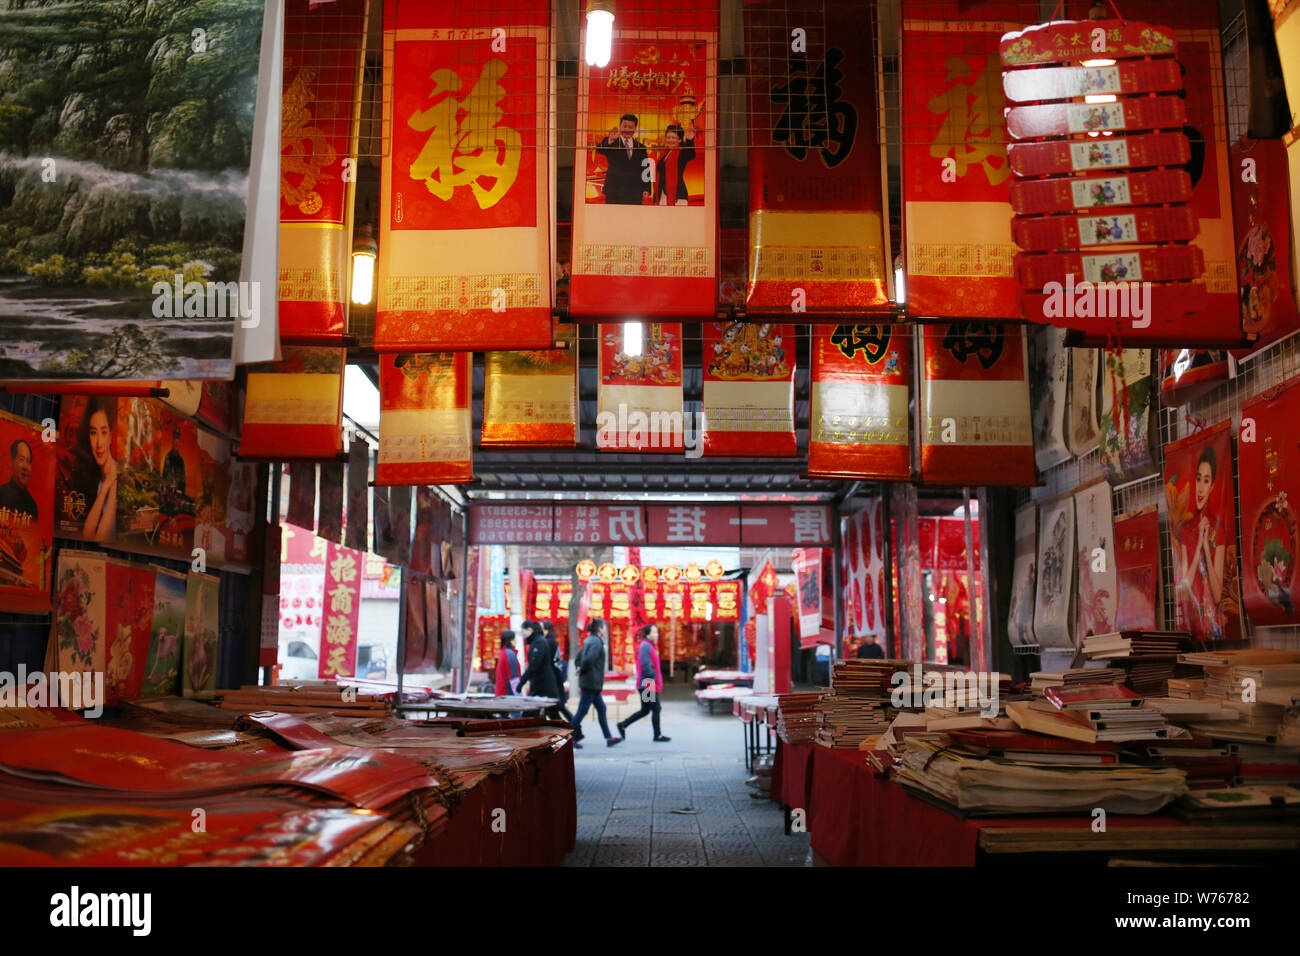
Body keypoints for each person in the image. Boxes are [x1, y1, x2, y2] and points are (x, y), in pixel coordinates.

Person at [1176, 445, 1227, 641]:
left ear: (1213, 486)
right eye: (1198, 479)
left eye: (1206, 481)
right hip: (1191, 625)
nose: (1200, 487)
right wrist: (1198, 546)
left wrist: (1206, 546)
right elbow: (1185, 585)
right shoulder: (1185, 529)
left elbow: (1217, 595)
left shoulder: (1218, 529)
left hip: (1213, 628)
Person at [70, 397, 117, 543]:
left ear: (110, 436)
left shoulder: (117, 475)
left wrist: (109, 484)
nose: (98, 443)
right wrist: (104, 489)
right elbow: (87, 534)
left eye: (103, 432)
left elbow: (100, 537)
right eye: (93, 433)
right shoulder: (97, 477)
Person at [571, 618, 623, 747]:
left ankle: (608, 738)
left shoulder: (589, 640)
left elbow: (578, 658)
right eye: (604, 627)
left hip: (591, 683)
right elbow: (589, 660)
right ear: (599, 629)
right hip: (591, 683)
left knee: (601, 708)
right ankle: (568, 738)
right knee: (582, 712)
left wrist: (579, 667)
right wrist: (582, 668)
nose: (605, 629)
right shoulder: (596, 643)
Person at [617, 623, 670, 742]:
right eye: (654, 632)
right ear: (647, 634)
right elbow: (645, 665)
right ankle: (658, 735)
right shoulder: (646, 646)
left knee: (645, 710)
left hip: (648, 682)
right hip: (648, 683)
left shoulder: (649, 646)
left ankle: (622, 725)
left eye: (657, 632)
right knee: (656, 708)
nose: (657, 635)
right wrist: (654, 676)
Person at [596, 113, 649, 205]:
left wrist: (646, 189)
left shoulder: (641, 147)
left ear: (635, 128)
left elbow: (645, 169)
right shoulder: (612, 142)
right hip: (614, 191)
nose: (627, 129)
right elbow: (600, 149)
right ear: (620, 126)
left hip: (634, 192)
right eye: (625, 126)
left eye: (630, 127)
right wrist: (610, 140)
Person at [517, 619, 562, 715]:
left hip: (542, 685)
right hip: (542, 685)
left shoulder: (538, 642)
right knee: (550, 714)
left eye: (523, 631)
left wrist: (521, 682)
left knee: (551, 713)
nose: (523, 634)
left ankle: (574, 729)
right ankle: (573, 729)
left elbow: (534, 665)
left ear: (529, 629)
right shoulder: (537, 641)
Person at [653, 122, 698, 206]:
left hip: (678, 196)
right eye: (668, 137)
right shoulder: (664, 153)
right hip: (662, 195)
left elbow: (690, 155)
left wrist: (689, 140)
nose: (670, 140)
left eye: (673, 138)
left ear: (680, 140)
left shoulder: (681, 153)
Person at [543, 620, 574, 724]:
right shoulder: (553, 643)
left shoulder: (548, 643)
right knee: (557, 709)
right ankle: (576, 729)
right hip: (556, 679)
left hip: (553, 681)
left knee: (557, 708)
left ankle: (576, 729)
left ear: (546, 630)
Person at [0, 439, 38, 520]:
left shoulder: (32, 505)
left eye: (28, 461)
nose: (25, 467)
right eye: (21, 459)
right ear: (12, 462)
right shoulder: (1, 494)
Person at [494, 630, 521, 696]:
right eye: (514, 639)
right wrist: (518, 694)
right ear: (510, 640)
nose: (516, 641)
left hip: (502, 691)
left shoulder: (504, 652)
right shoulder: (510, 654)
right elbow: (514, 677)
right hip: (508, 693)